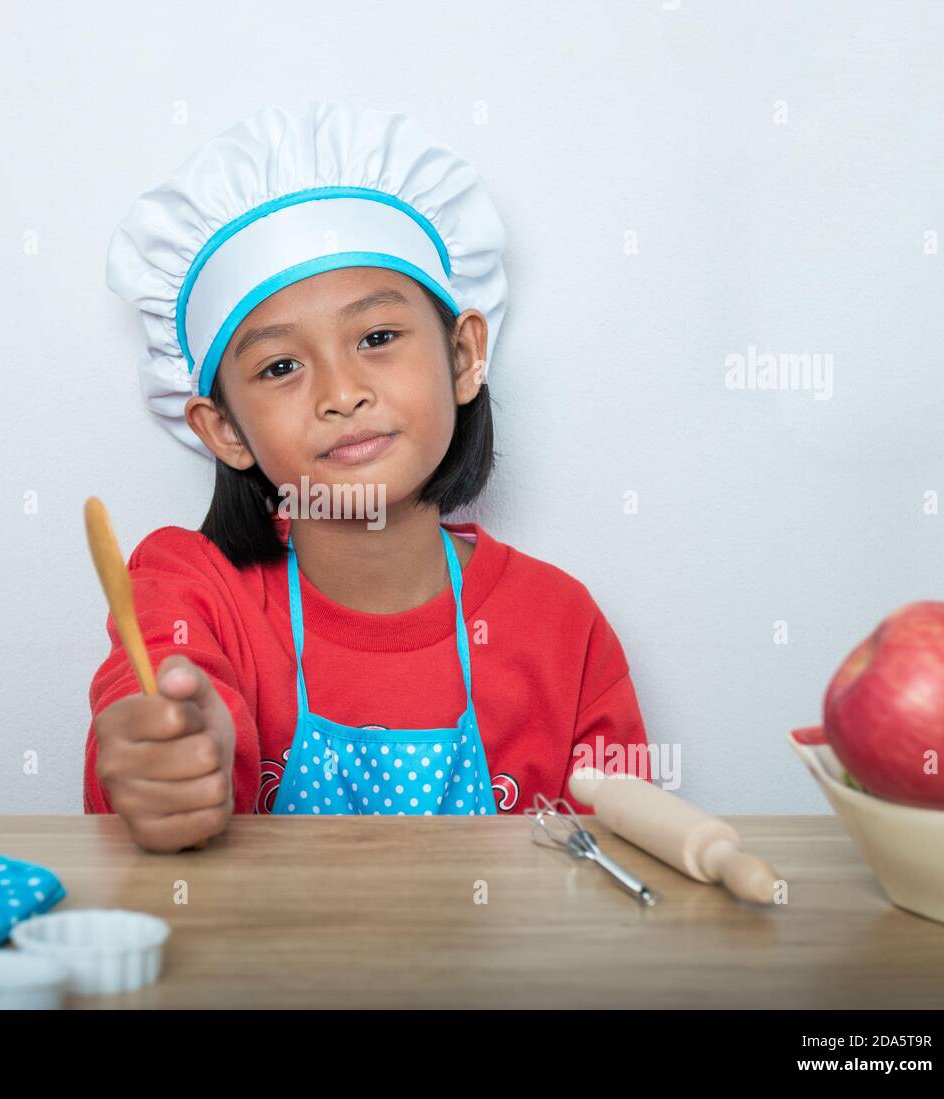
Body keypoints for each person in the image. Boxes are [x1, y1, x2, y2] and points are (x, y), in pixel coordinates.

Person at [86, 100, 649, 853]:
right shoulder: (191, 587)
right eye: (281, 365)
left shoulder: (562, 627)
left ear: (461, 356)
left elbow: (633, 862)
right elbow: (154, 688)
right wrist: (175, 751)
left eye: (378, 337)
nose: (341, 393)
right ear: (224, 428)